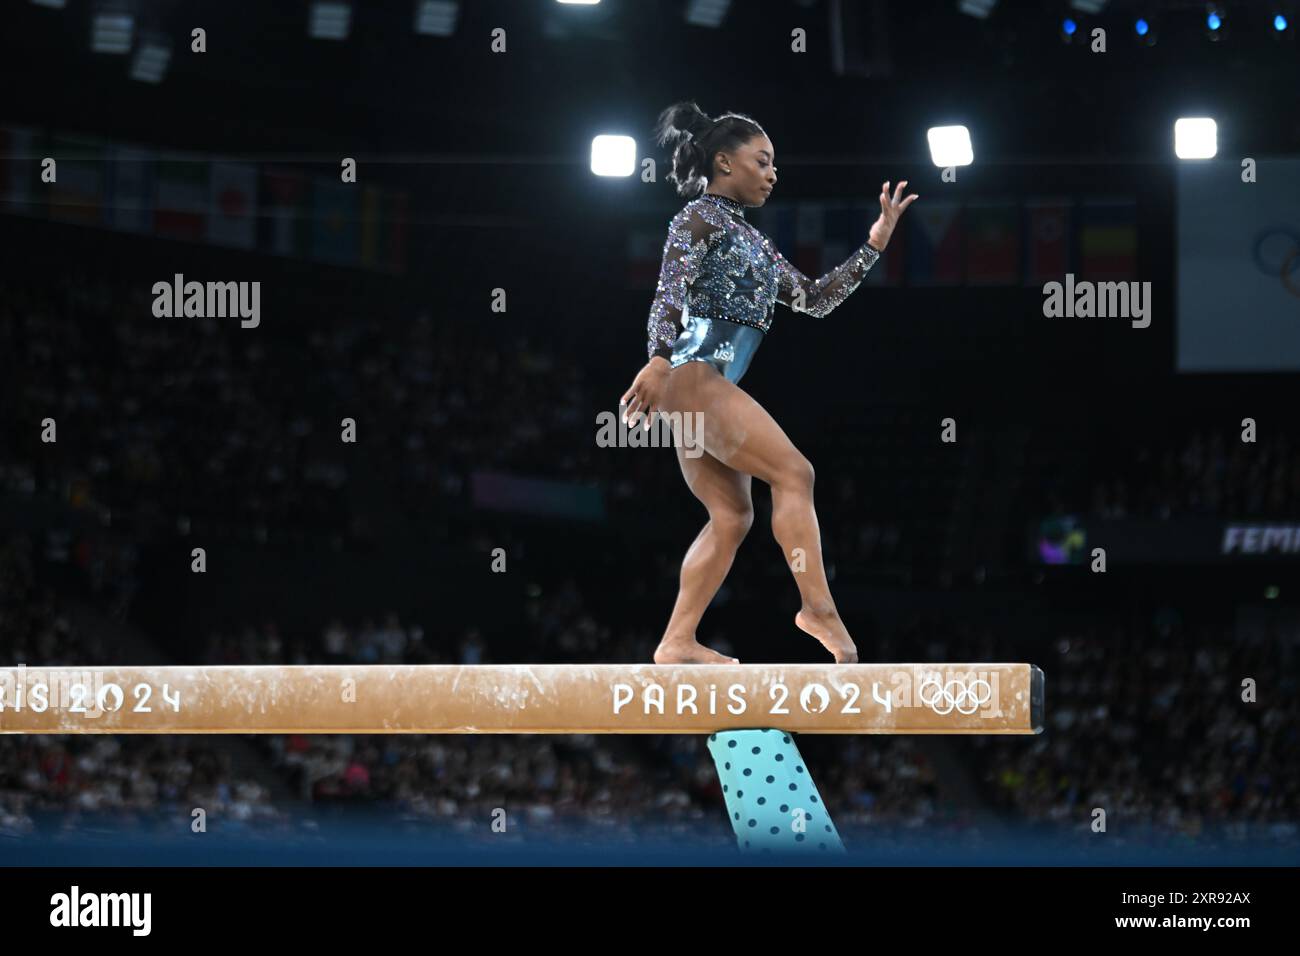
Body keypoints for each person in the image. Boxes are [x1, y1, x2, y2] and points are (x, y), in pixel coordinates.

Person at [620, 101, 917, 665]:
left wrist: (875, 244)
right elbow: (668, 292)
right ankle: (817, 608)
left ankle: (676, 640)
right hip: (690, 379)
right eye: (762, 161)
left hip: (698, 392)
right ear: (725, 163)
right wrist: (658, 360)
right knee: (795, 472)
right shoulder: (696, 220)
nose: (773, 172)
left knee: (733, 515)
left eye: (773, 163)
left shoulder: (754, 245)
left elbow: (817, 299)